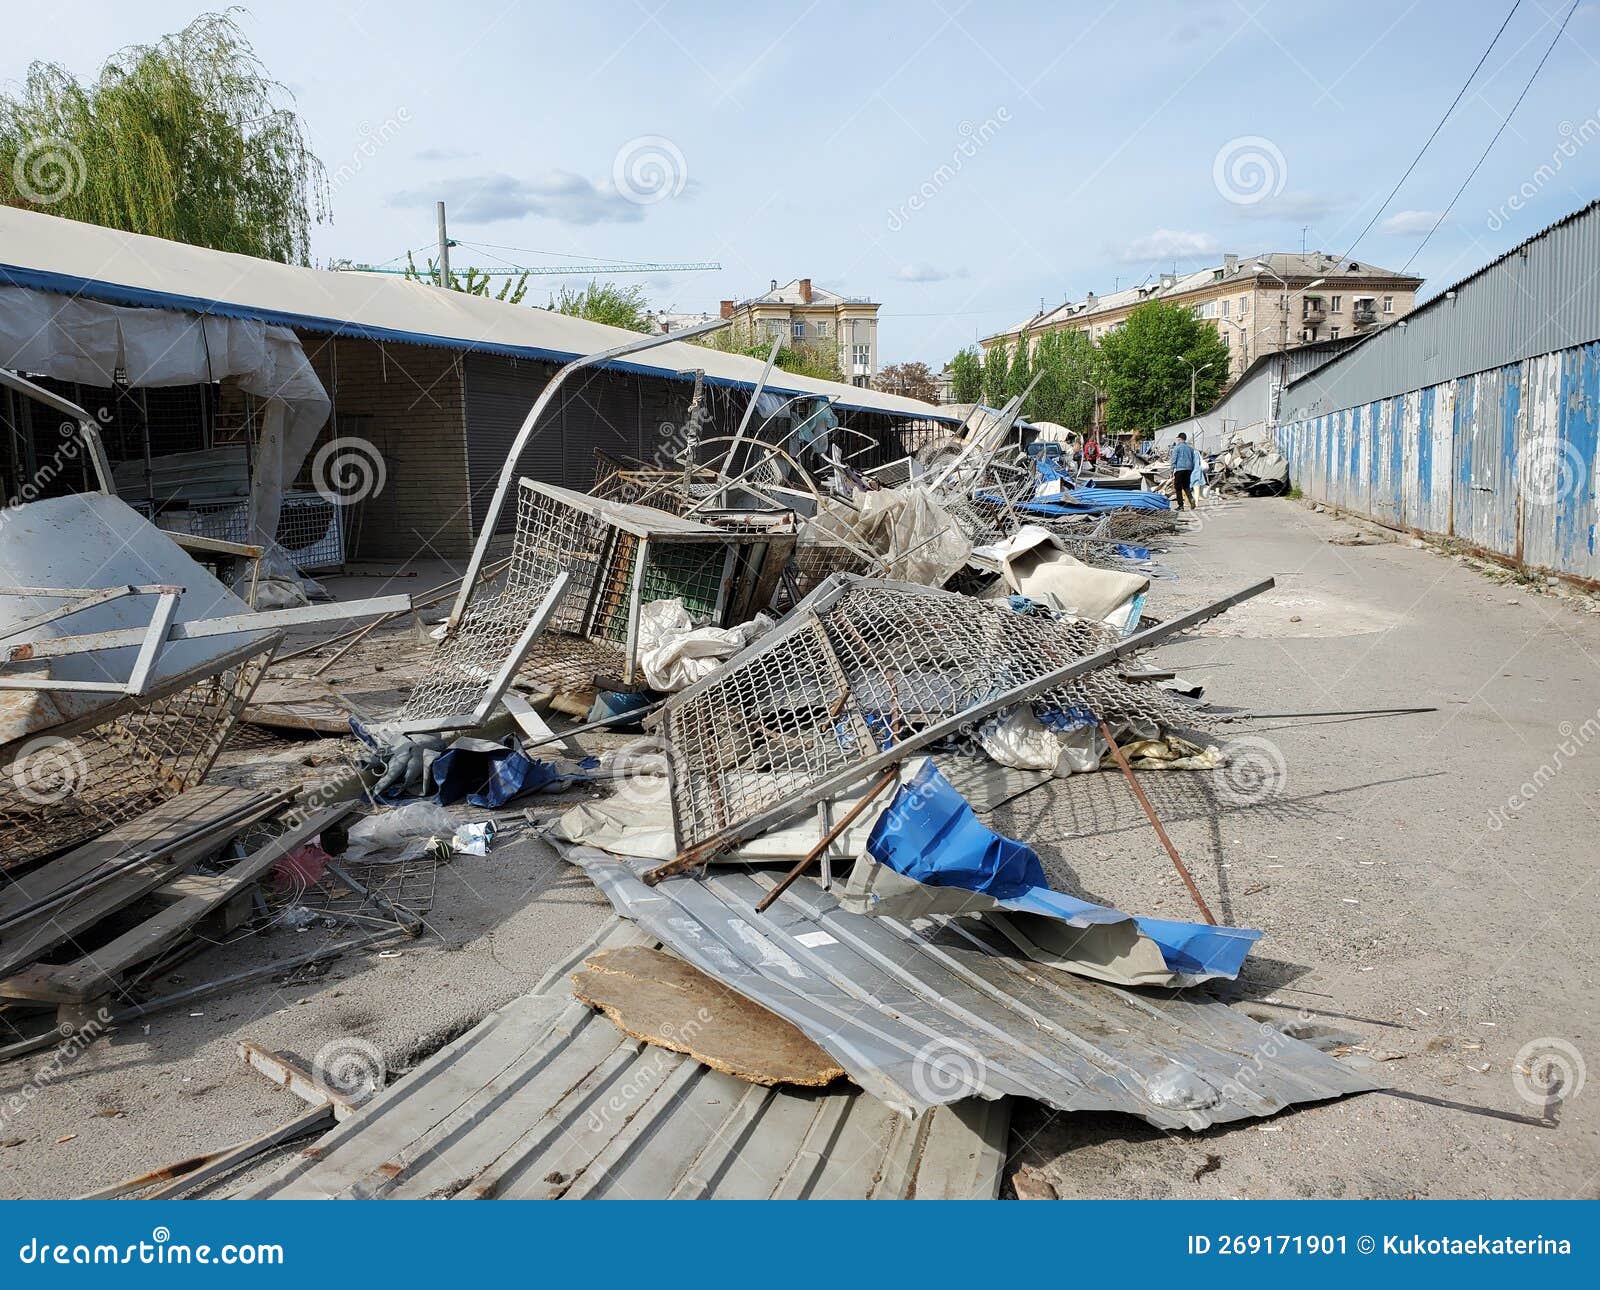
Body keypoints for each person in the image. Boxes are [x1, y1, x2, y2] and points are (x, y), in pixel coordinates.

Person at [1170, 432, 1197, 510]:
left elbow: (1174, 459)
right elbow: (1193, 460)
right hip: (1188, 469)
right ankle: (1191, 499)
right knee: (1186, 486)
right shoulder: (1190, 449)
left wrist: (1172, 470)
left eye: (1178, 438)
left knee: (1178, 488)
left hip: (1180, 469)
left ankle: (1181, 506)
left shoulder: (1177, 448)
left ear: (1180, 439)